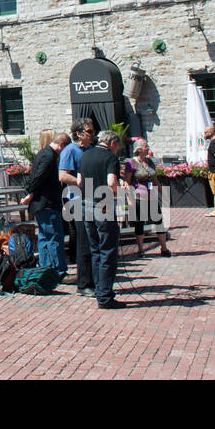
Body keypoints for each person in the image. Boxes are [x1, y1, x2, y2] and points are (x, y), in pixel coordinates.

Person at [78, 130, 124, 309]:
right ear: (112, 143)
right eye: (117, 148)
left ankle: (99, 291)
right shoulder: (110, 158)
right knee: (107, 251)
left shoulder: (86, 155)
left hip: (85, 205)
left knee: (95, 250)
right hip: (103, 206)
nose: (117, 151)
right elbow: (112, 183)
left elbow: (80, 181)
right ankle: (105, 296)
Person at [19, 131, 68, 275]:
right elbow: (38, 177)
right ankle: (58, 270)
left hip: (42, 203)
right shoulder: (50, 156)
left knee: (44, 236)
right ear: (61, 145)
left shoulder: (42, 153)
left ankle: (46, 268)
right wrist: (30, 192)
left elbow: (34, 175)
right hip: (47, 202)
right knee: (54, 236)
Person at [60, 119, 95, 295]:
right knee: (82, 242)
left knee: (92, 240)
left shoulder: (91, 150)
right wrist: (81, 182)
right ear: (79, 133)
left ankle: (93, 278)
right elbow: (63, 176)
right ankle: (83, 283)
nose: (93, 134)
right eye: (89, 131)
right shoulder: (69, 151)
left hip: (93, 200)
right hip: (76, 200)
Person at [122, 139, 171, 257]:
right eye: (145, 146)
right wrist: (129, 199)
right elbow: (127, 183)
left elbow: (155, 180)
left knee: (159, 222)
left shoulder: (149, 162)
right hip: (139, 197)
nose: (148, 148)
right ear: (138, 149)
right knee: (139, 224)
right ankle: (140, 249)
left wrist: (163, 194)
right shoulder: (131, 163)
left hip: (152, 197)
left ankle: (164, 248)